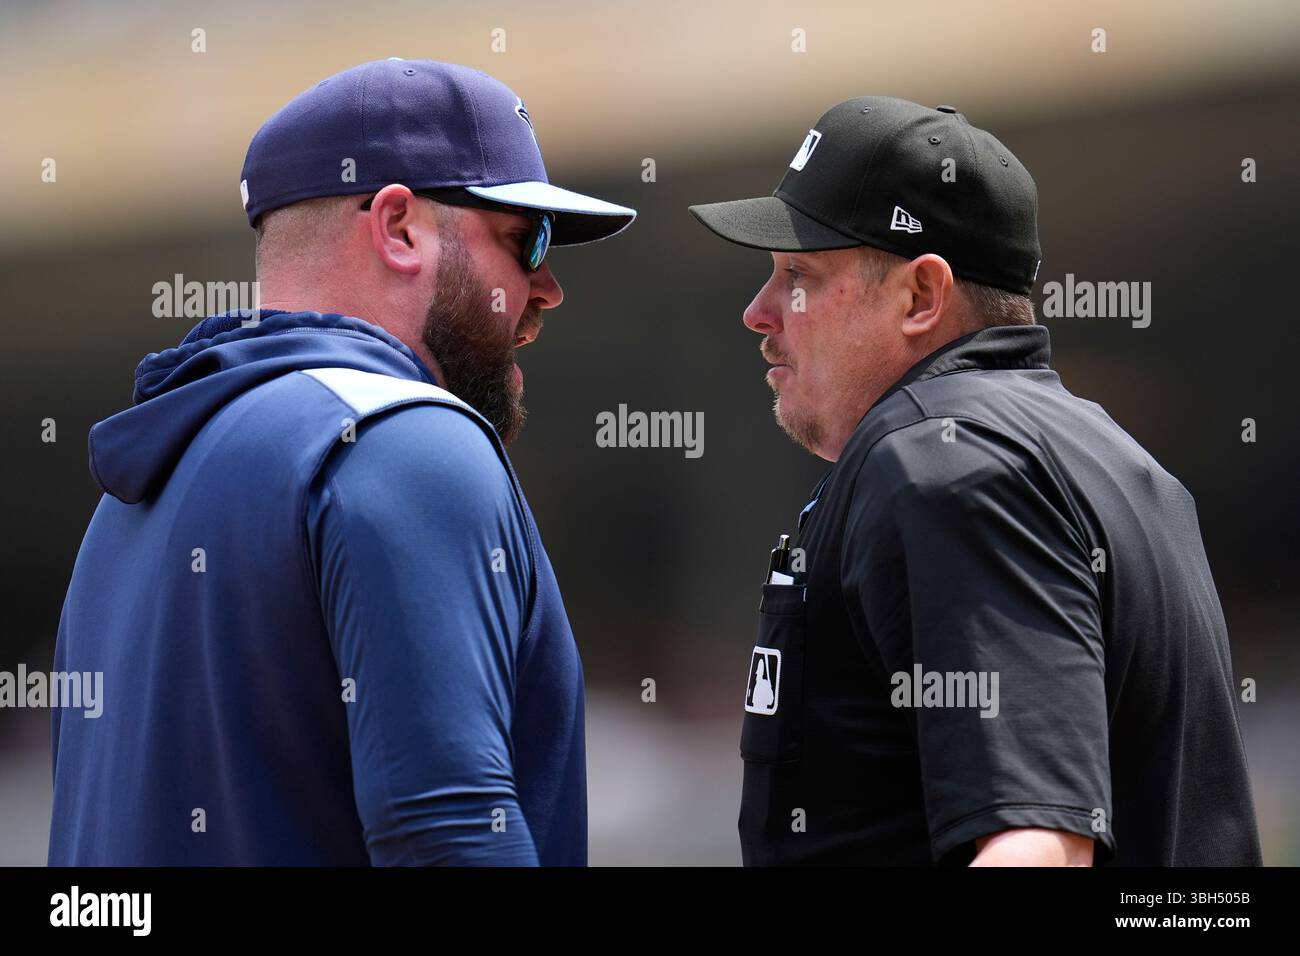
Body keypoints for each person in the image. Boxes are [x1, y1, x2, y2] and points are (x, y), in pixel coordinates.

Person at [48, 58, 635, 866]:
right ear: (397, 227)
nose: (546, 287)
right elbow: (450, 832)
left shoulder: (131, 496)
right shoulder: (405, 442)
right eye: (521, 238)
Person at [689, 96, 1262, 866]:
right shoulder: (1111, 456)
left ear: (921, 296)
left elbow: (1036, 845)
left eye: (799, 274)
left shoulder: (944, 461)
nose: (759, 313)